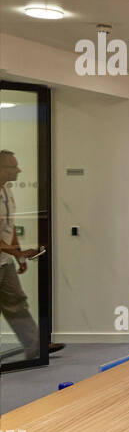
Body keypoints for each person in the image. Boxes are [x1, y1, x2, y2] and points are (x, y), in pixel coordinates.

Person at [0, 148, 63, 361]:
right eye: (13, 166)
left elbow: (9, 226)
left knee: (16, 303)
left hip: (4, 260)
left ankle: (36, 346)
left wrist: (16, 255)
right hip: (4, 255)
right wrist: (17, 251)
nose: (19, 169)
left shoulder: (6, 191)